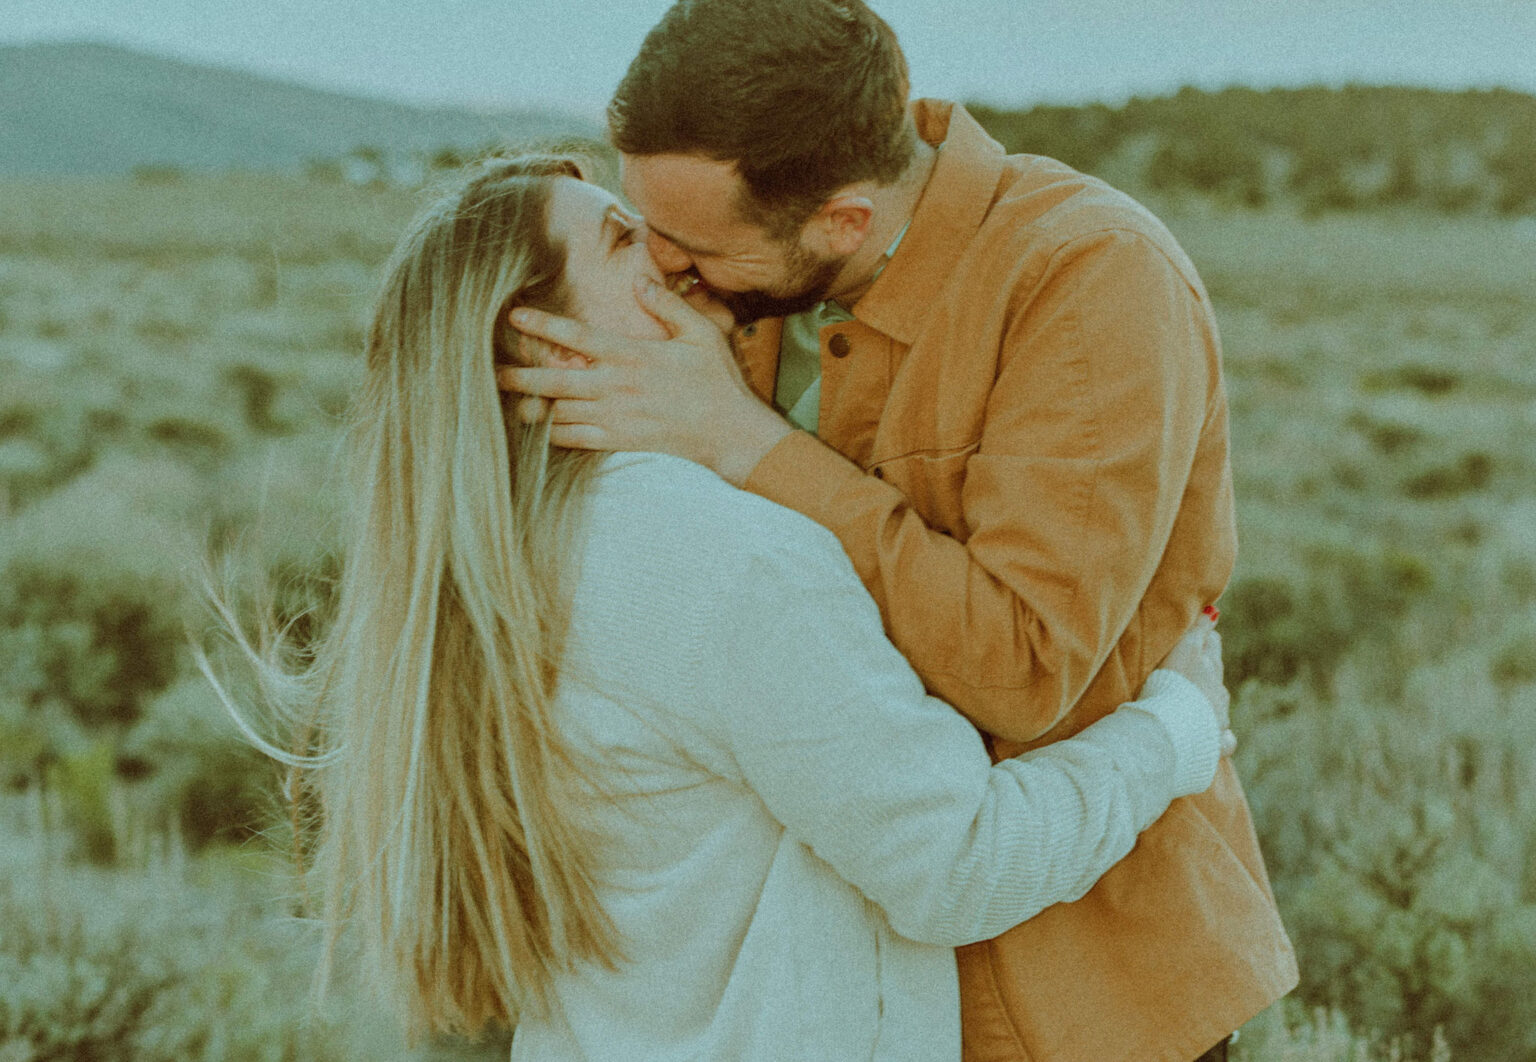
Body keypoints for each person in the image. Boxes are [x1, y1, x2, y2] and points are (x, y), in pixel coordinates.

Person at [202, 155, 1235, 1062]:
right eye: (624, 242)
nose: (672, 255)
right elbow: (955, 866)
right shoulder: (726, 560)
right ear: (553, 346)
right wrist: (1175, 730)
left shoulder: (489, 564)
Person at [496, 2, 1299, 1060]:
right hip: (838, 998)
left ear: (842, 220)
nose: (664, 266)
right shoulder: (741, 296)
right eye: (642, 227)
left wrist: (743, 441)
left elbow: (1022, 665)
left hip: (1078, 991)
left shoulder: (1090, 277)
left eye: (692, 243)